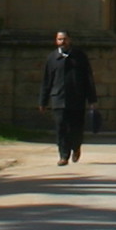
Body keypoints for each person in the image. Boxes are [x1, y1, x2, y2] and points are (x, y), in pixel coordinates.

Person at [41, 30, 96, 166]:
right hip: (58, 98)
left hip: (77, 98)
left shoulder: (79, 56)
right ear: (56, 41)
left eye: (64, 39)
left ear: (70, 40)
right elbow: (46, 81)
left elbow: (88, 78)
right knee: (61, 127)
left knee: (76, 127)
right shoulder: (52, 58)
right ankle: (63, 155)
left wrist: (92, 99)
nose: (62, 42)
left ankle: (76, 147)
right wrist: (43, 101)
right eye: (59, 39)